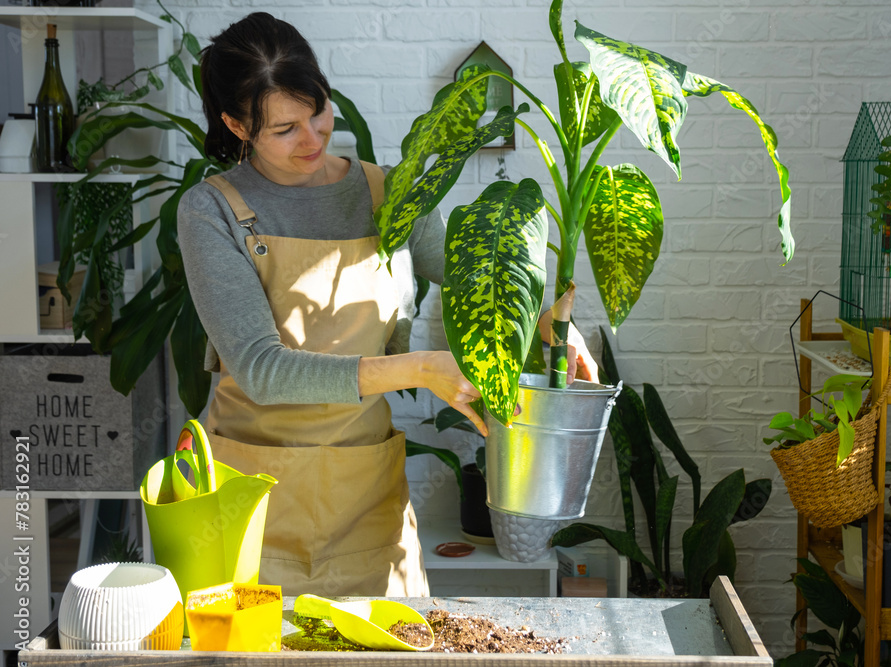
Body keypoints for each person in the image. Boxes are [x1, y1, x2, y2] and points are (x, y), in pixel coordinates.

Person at [177, 12, 598, 598]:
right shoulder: (211, 210)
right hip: (249, 495)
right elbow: (260, 369)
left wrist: (551, 323)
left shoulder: (389, 193)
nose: (313, 138)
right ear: (236, 125)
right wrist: (423, 368)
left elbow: (481, 284)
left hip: (364, 492)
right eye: (283, 129)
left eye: (317, 110)